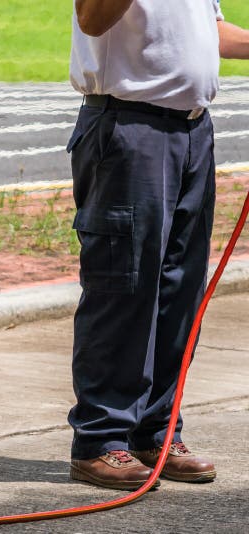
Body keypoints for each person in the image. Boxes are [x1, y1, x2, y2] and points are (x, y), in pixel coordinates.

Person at [67, 0, 249, 490]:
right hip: (129, 125)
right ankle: (102, 440)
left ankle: (156, 433)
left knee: (179, 292)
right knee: (123, 288)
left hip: (192, 129)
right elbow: (92, 18)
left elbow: (208, 32)